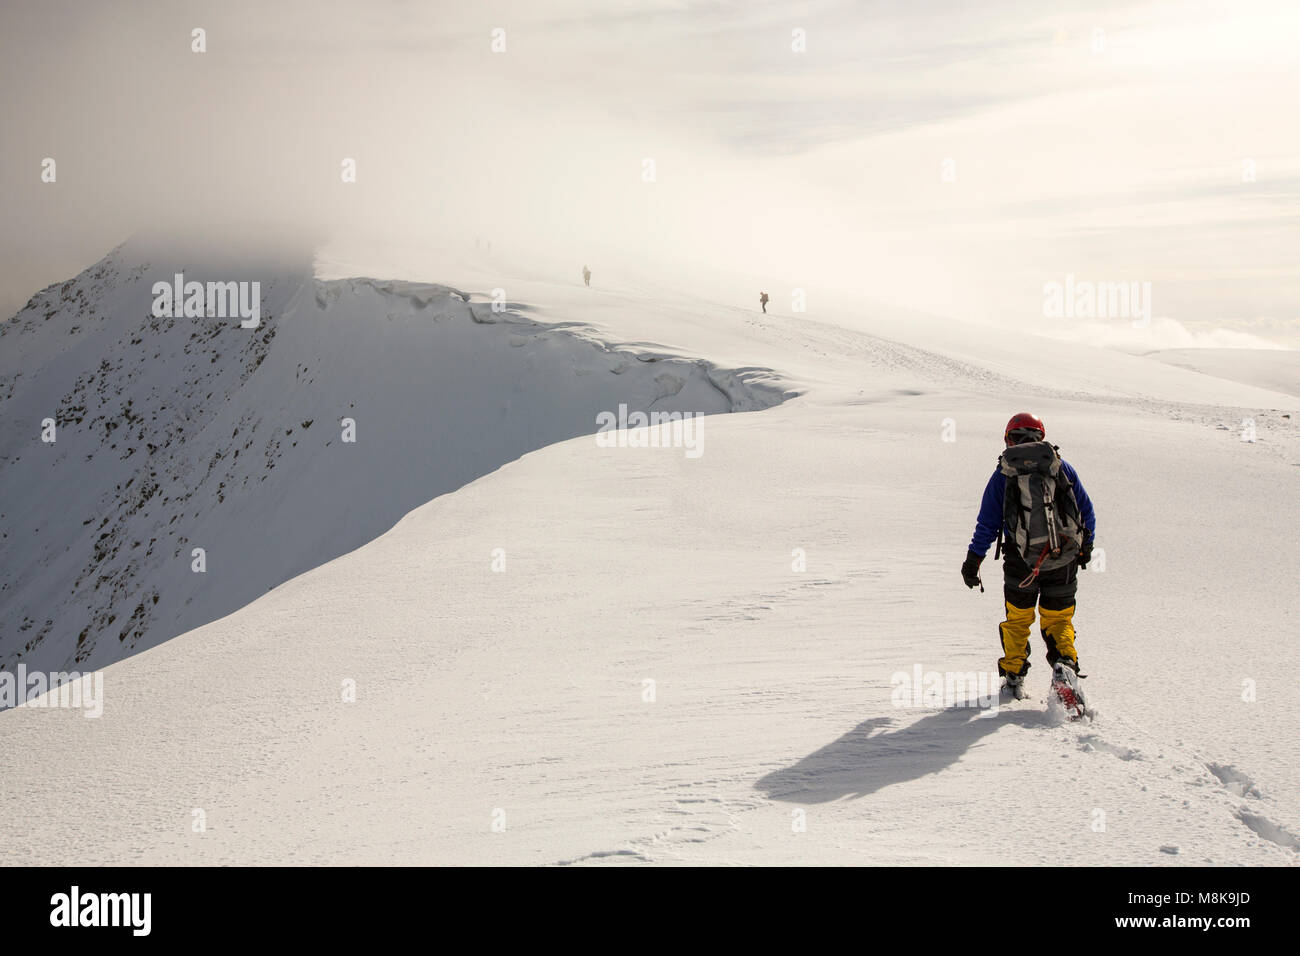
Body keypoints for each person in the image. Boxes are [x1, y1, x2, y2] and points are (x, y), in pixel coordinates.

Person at [961, 413, 1096, 698]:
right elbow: (1086, 511)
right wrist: (1086, 547)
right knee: (1059, 619)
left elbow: (987, 523)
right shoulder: (1061, 468)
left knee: (1018, 620)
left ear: (1008, 438)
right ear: (1041, 436)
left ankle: (1013, 676)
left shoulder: (1004, 473)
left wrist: (974, 560)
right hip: (1062, 557)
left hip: (1020, 562)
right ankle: (1065, 668)